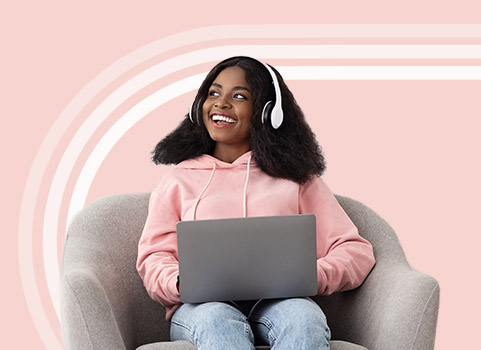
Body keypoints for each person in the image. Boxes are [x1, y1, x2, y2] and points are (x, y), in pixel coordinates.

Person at [136, 56, 376, 350]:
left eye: (238, 96)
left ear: (267, 112)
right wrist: (179, 282)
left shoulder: (298, 179)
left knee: (303, 318)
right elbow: (153, 258)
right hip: (203, 308)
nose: (221, 103)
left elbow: (355, 251)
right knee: (217, 321)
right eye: (213, 93)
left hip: (280, 302)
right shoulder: (178, 181)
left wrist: (313, 275)